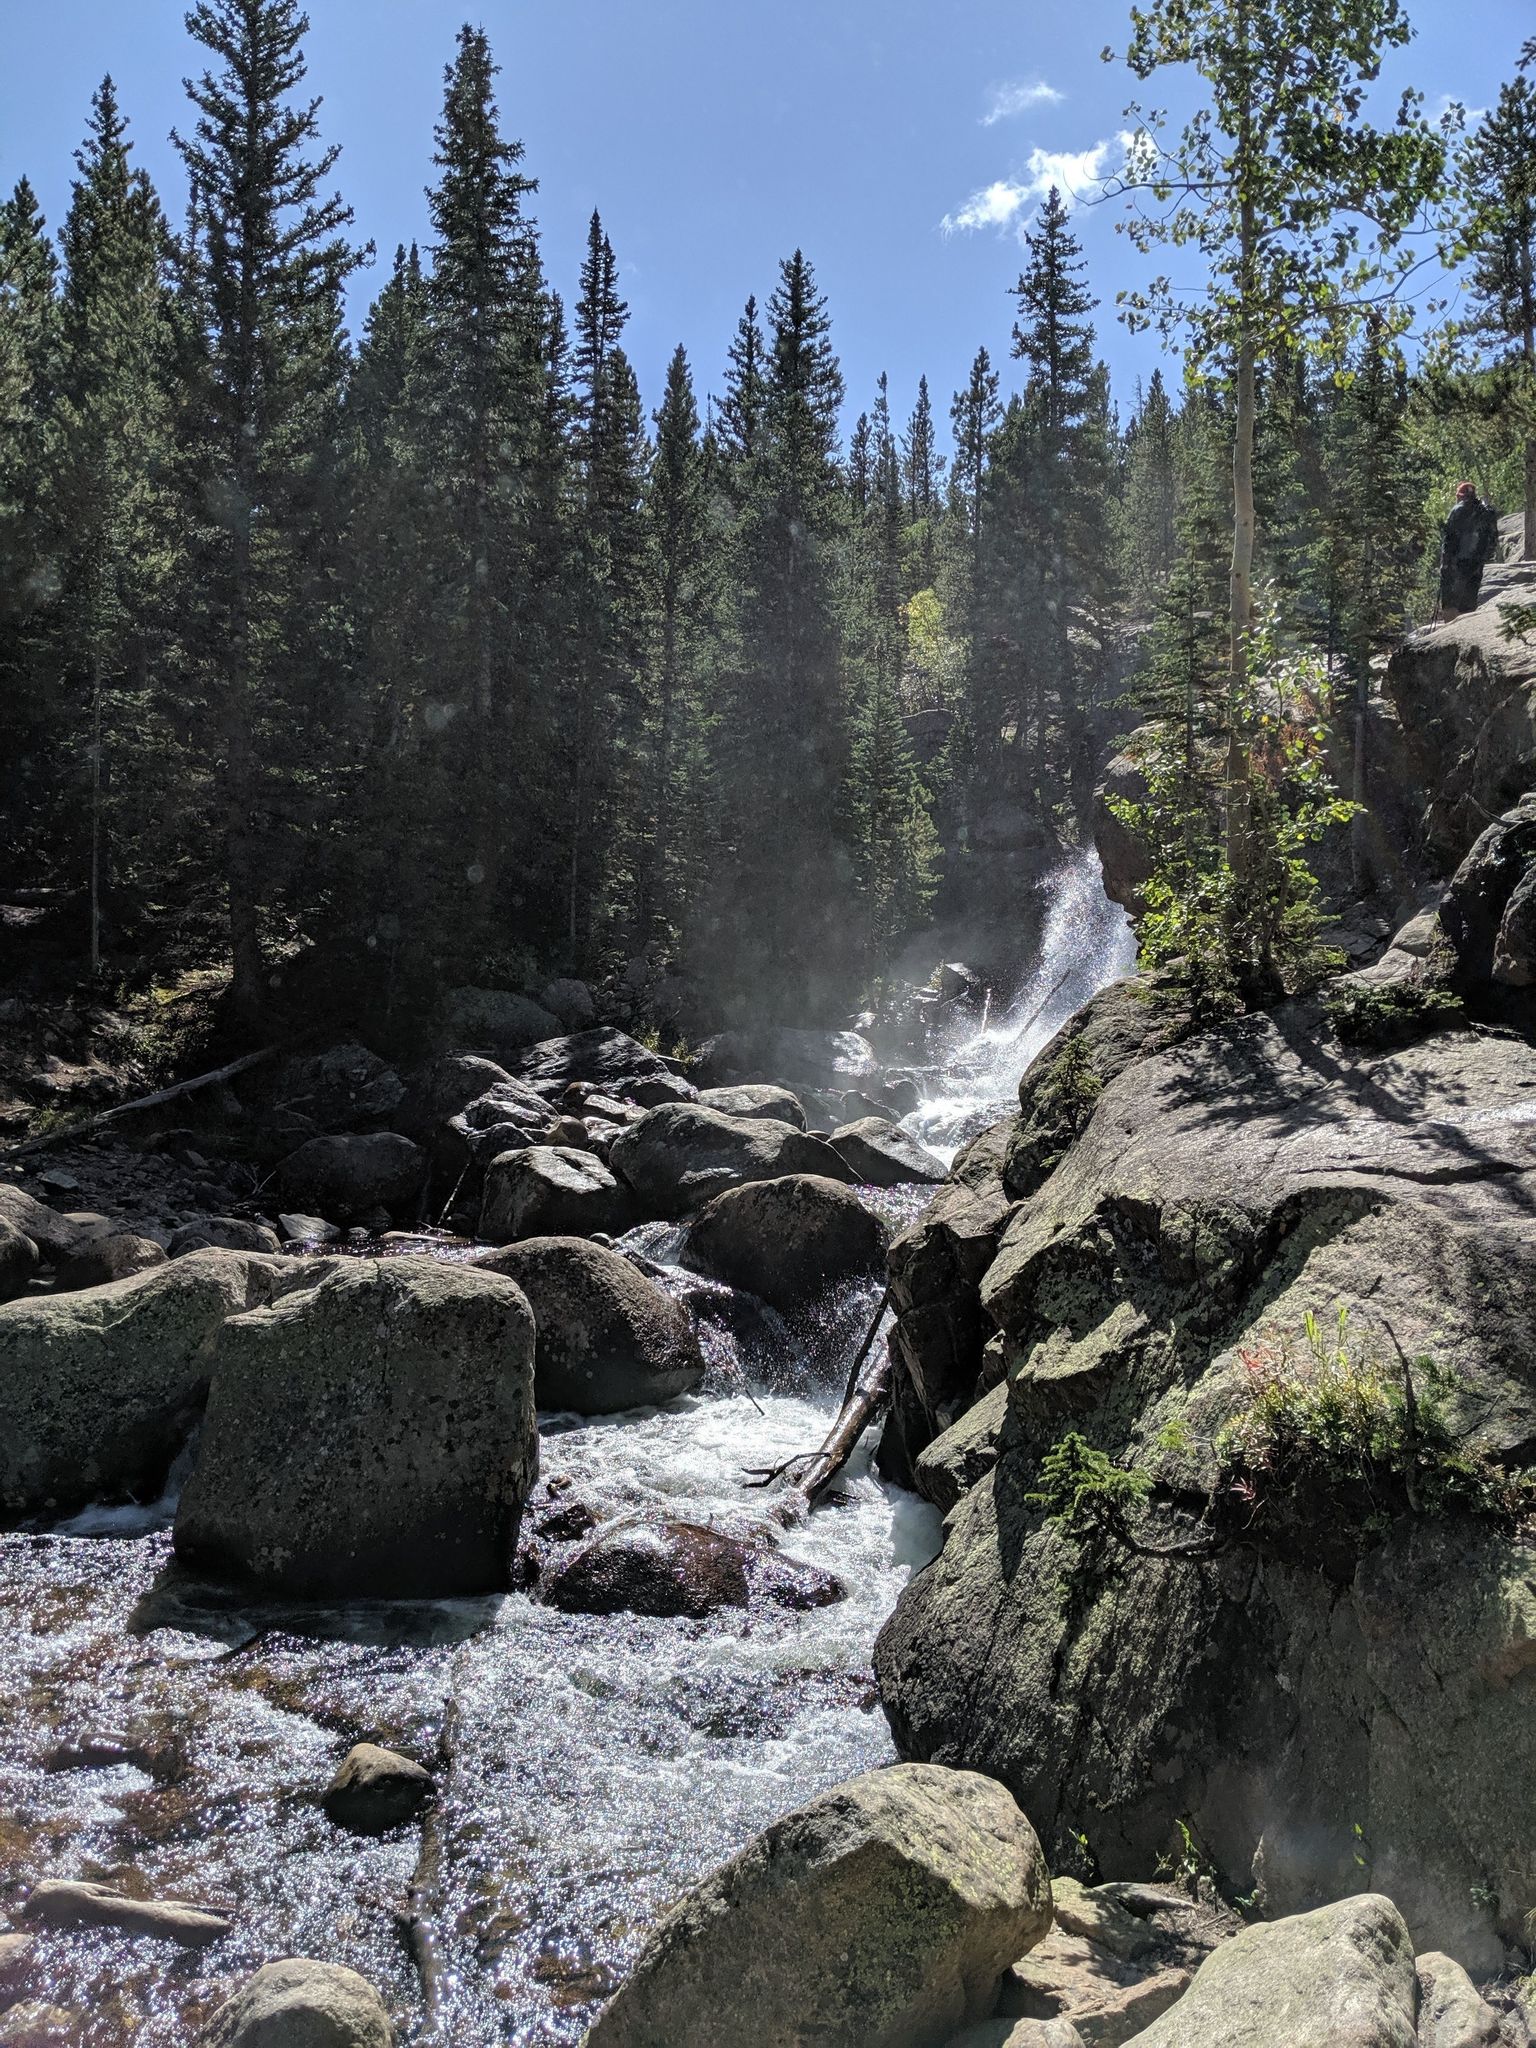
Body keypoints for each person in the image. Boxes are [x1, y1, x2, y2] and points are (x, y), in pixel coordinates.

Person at [1438, 481, 1500, 617]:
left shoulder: (1457, 511)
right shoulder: (1485, 511)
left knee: (1451, 603)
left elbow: (1449, 539)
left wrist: (1445, 564)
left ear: (1460, 496)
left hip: (1456, 564)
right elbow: (1493, 537)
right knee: (1469, 602)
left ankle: (1452, 631)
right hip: (1477, 563)